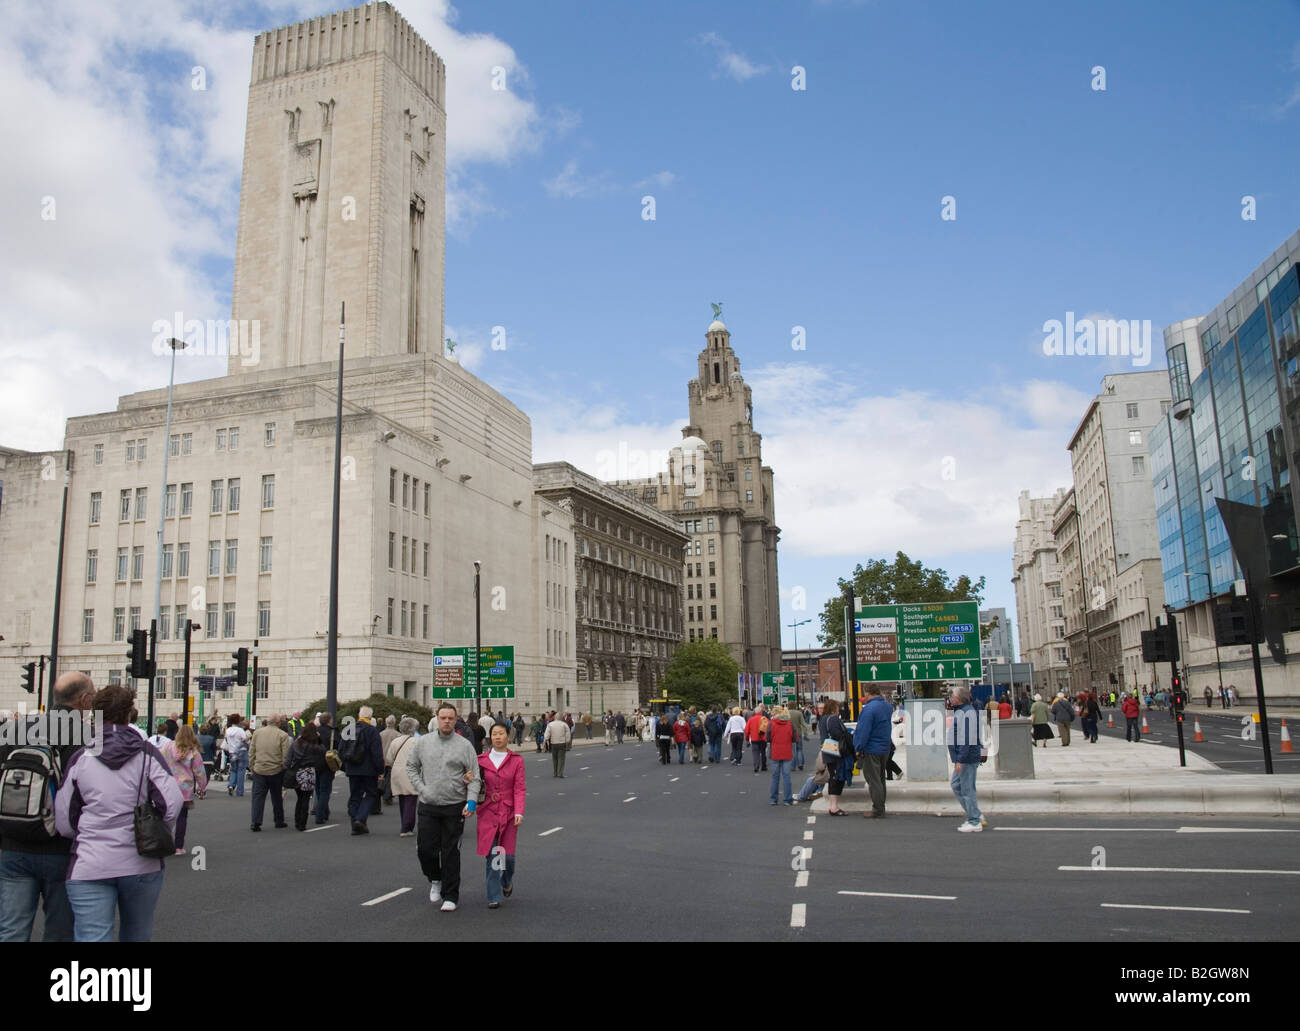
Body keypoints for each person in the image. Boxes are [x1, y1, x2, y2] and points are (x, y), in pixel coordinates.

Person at [54, 684, 183, 942]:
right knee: (137, 934)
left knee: (92, 936)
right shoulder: (147, 754)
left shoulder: (82, 756)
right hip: (140, 860)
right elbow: (172, 803)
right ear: (129, 715)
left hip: (90, 862)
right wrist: (157, 828)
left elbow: (64, 818)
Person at [0, 671, 96, 942]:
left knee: (11, 930)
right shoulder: (87, 738)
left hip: (13, 842)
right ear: (85, 700)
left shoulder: (16, 729)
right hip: (61, 848)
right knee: (60, 932)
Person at [407, 703, 480, 912]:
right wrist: (422, 788)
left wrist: (472, 801)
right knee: (425, 850)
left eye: (450, 718)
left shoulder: (465, 746)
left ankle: (451, 895)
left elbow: (474, 776)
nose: (447, 721)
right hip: (429, 803)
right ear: (436, 719)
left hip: (454, 805)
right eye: (443, 718)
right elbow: (411, 766)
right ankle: (435, 878)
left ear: (456, 720)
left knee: (450, 852)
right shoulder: (424, 743)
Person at [477, 722, 525, 909]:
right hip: (488, 811)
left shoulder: (516, 760)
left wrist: (519, 811)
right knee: (493, 854)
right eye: (494, 734)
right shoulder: (480, 760)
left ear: (507, 736)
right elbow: (474, 785)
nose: (497, 737)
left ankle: (506, 881)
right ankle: (494, 895)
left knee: (508, 857)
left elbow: (520, 787)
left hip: (508, 811)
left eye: (501, 733)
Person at [159, 724, 208, 854]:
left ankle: (165, 842)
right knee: (181, 817)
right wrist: (202, 787)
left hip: (168, 785)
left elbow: (158, 759)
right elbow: (200, 772)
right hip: (185, 788)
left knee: (166, 815)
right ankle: (178, 846)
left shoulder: (168, 746)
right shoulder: (193, 751)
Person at [342, 707, 385, 835]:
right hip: (369, 769)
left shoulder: (348, 729)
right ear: (371, 717)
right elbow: (377, 753)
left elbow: (341, 750)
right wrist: (380, 770)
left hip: (352, 768)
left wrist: (346, 766)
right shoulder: (372, 731)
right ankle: (360, 819)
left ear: (358, 715)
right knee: (371, 794)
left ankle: (355, 825)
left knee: (355, 796)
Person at [947, 685, 984, 833]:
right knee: (956, 785)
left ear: (957, 698)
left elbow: (966, 738)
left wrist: (960, 759)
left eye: (951, 697)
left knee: (967, 789)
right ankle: (975, 814)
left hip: (966, 758)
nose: (950, 699)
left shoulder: (967, 713)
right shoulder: (963, 711)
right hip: (964, 757)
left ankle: (974, 821)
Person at [853, 684, 892, 819]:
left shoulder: (869, 709)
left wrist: (858, 747)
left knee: (873, 780)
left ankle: (878, 809)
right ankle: (881, 806)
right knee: (881, 779)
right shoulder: (887, 706)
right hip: (884, 747)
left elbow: (863, 731)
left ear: (868, 693)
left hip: (871, 748)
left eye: (865, 694)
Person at [249, 712, 290, 831]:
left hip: (259, 768)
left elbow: (252, 751)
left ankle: (256, 822)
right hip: (276, 769)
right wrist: (283, 767)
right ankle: (279, 820)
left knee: (257, 797)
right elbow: (285, 755)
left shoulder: (257, 733)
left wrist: (252, 765)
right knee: (277, 796)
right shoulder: (283, 735)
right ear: (278, 723)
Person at [286, 723, 327, 832]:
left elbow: (288, 760)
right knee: (305, 799)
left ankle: (297, 821)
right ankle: (302, 823)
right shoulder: (314, 745)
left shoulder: (296, 743)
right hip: (309, 772)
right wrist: (319, 739)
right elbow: (324, 751)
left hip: (297, 772)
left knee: (299, 798)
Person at [820, 699, 853, 816]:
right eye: (838, 707)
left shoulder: (823, 719)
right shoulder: (833, 719)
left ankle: (833, 805)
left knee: (833, 776)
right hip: (835, 752)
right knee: (836, 778)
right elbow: (837, 734)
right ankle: (833, 806)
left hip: (828, 750)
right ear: (834, 708)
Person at [388, 718, 420, 836]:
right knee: (411, 799)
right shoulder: (417, 741)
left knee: (402, 798)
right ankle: (407, 827)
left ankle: (404, 824)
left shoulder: (395, 741)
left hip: (397, 771)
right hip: (412, 772)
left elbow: (389, 759)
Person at [767, 706, 796, 805]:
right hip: (787, 752)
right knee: (787, 776)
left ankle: (773, 799)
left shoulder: (771, 723)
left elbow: (768, 738)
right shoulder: (789, 724)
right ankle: (788, 799)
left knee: (775, 776)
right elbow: (795, 738)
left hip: (775, 752)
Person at [315, 712, 339, 824]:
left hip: (315, 762)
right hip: (328, 763)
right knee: (325, 790)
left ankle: (324, 812)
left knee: (319, 789)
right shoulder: (333, 732)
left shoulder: (315, 732)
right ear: (329, 720)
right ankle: (320, 815)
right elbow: (338, 746)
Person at [224, 714, 249, 797]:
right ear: (238, 721)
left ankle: (231, 785)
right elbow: (245, 740)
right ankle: (240, 791)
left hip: (232, 752)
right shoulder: (240, 730)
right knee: (241, 771)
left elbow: (227, 741)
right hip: (241, 751)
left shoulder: (227, 730)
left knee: (233, 770)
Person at [379, 714, 400, 807]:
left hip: (383, 758)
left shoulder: (381, 734)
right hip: (393, 760)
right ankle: (388, 795)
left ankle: (384, 793)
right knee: (391, 779)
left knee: (383, 777)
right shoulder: (397, 735)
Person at [544, 712, 571, 777]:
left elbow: (547, 734)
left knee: (554, 759)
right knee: (561, 759)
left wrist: (545, 741)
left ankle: (555, 773)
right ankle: (560, 773)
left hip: (553, 743)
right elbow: (568, 734)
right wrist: (567, 742)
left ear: (554, 717)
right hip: (562, 743)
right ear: (561, 718)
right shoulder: (564, 724)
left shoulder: (550, 724)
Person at [745, 704, 769, 773]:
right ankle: (764, 766)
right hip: (763, 738)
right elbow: (769, 729)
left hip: (754, 738)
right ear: (761, 712)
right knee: (763, 752)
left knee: (755, 752)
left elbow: (747, 730)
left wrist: (747, 738)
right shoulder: (765, 719)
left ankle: (756, 765)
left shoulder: (751, 720)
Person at [788, 704, 807, 771]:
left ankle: (792, 766)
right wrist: (805, 733)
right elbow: (803, 723)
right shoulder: (799, 713)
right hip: (798, 733)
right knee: (799, 749)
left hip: (789, 733)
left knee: (792, 750)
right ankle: (800, 764)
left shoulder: (786, 713)